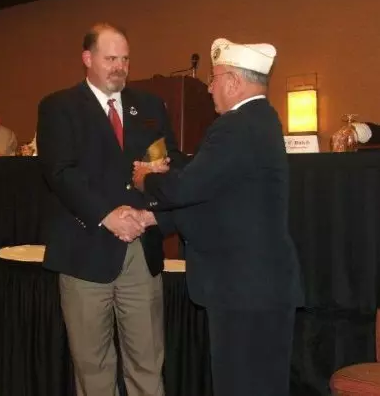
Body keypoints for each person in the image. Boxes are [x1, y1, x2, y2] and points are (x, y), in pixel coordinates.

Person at [132, 37, 304, 396]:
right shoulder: (262, 120)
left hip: (244, 292)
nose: (209, 87)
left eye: (214, 78)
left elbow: (186, 190)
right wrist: (154, 220)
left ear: (233, 82)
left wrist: (146, 178)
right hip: (257, 289)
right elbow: (218, 200)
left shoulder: (236, 126)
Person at [36, 23, 184, 396]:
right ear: (87, 59)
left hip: (140, 247)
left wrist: (151, 210)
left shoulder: (150, 107)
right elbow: (59, 172)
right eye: (110, 58)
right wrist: (107, 214)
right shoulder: (59, 107)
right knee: (92, 364)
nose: (120, 66)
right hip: (84, 249)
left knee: (148, 362)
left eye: (125, 59)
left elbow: (169, 162)